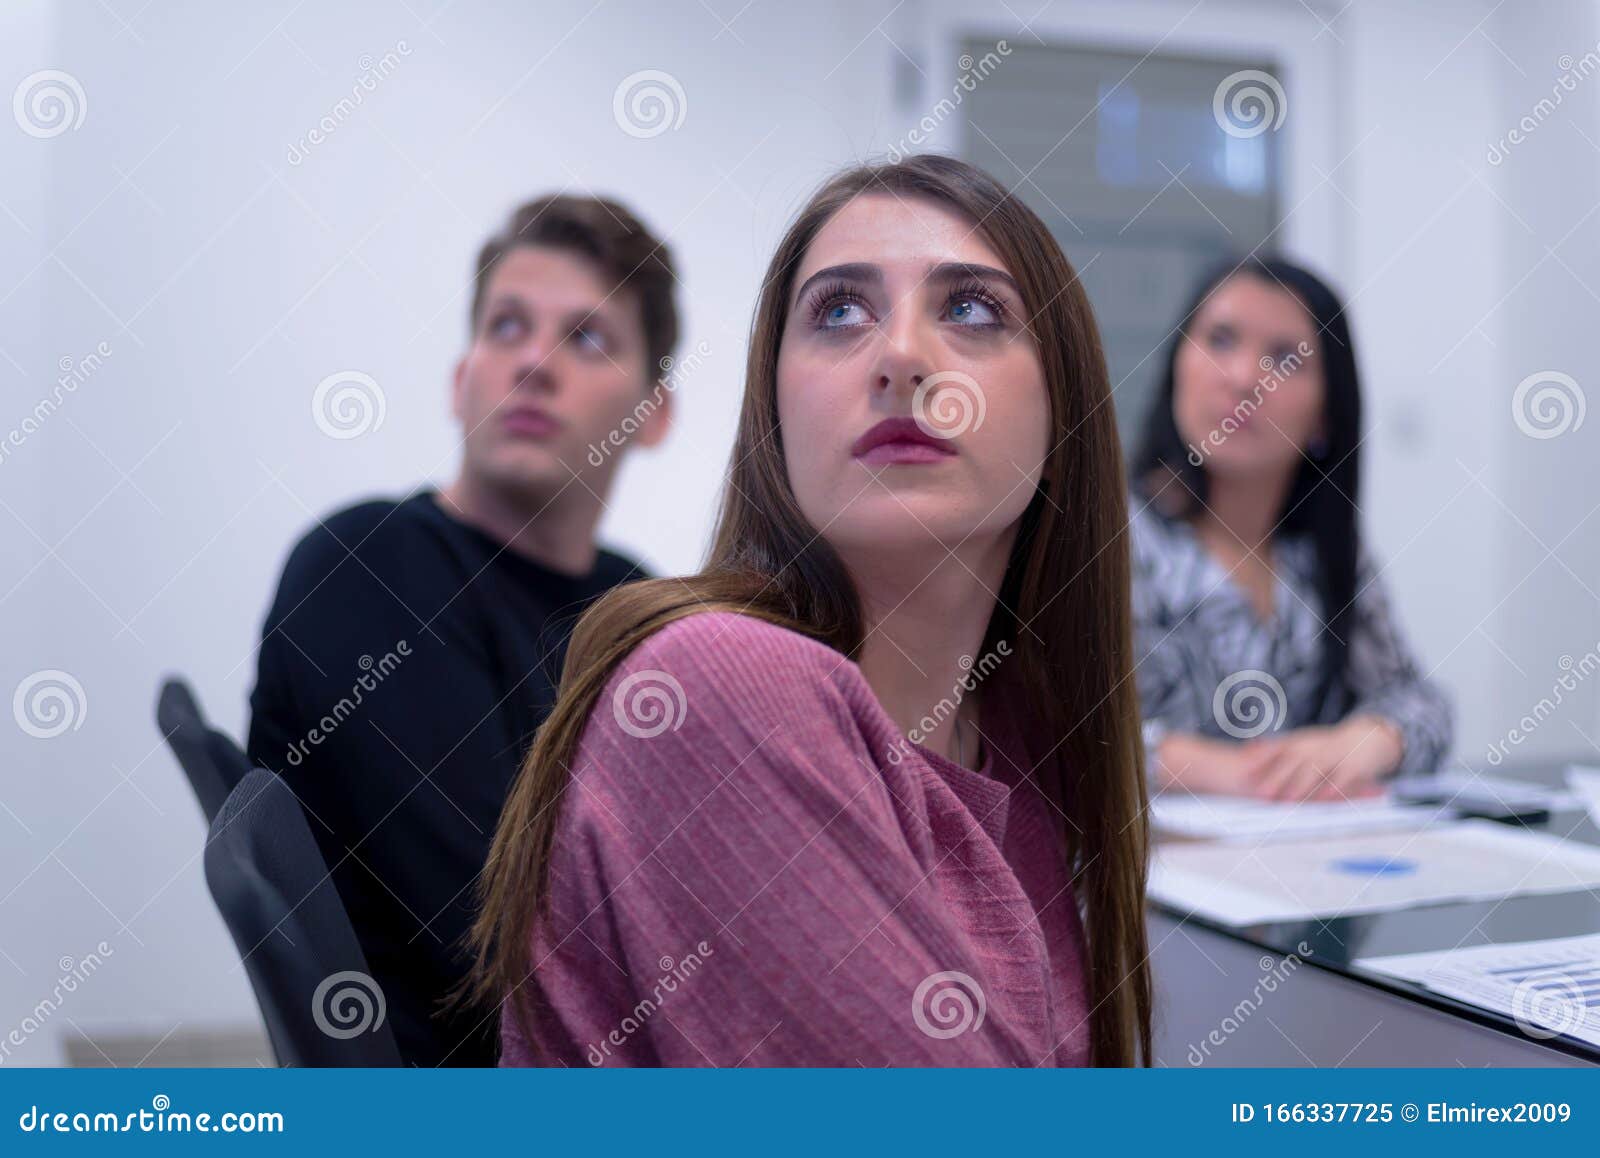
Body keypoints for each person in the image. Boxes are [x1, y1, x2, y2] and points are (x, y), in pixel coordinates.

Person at [465, 155, 1151, 1067]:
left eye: (971, 308)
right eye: (839, 312)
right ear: (774, 418)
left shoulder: (1019, 724)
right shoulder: (716, 683)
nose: (901, 356)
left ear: (1064, 417)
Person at [247, 193, 679, 1066]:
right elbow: (501, 936)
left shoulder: (633, 604)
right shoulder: (369, 567)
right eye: (507, 327)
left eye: (586, 338)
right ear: (461, 380)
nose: (535, 364)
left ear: (653, 415)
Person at [1129, 256, 1453, 803]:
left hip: (1311, 850)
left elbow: (1423, 704)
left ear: (1326, 413)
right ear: (1177, 365)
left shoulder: (1322, 553)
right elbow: (1040, 731)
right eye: (1220, 340)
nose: (1243, 379)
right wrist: (1207, 768)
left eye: (1284, 359)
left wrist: (1366, 742)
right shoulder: (1104, 535)